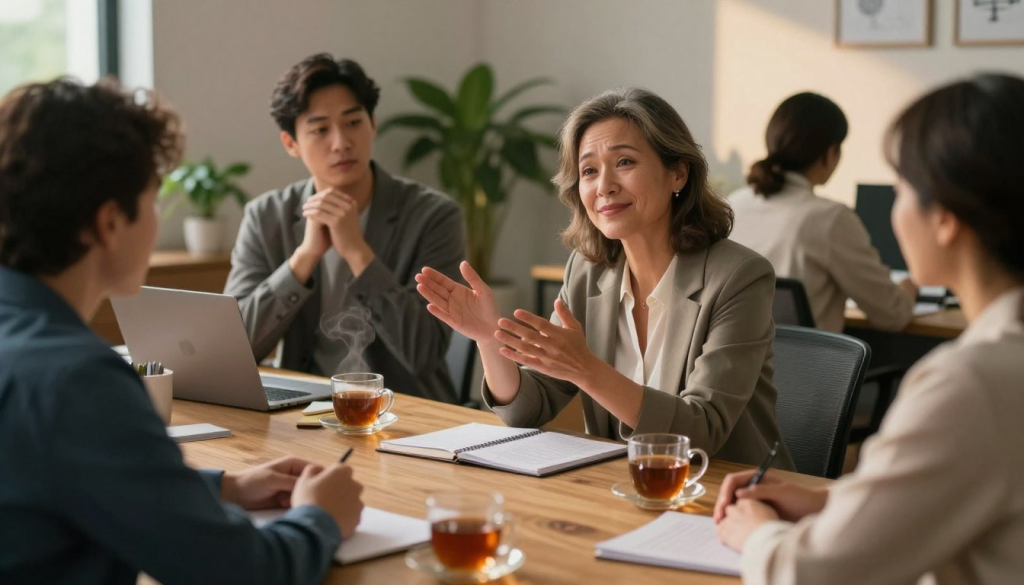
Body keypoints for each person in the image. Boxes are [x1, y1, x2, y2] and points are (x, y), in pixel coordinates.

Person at [0, 78, 363, 584]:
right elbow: (243, 572)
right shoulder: (78, 380)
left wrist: (222, 488)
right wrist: (320, 517)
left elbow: (55, 479)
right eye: (153, 200)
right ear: (109, 223)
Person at [716, 74, 1024, 584]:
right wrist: (831, 498)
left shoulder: (971, 383)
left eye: (901, 188)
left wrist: (755, 533)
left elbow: (811, 574)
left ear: (945, 218)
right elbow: (978, 481)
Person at [417, 87, 793, 468]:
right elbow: (529, 409)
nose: (604, 186)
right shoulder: (587, 271)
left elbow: (702, 431)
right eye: (589, 171)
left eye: (625, 162)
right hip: (626, 487)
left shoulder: (739, 276)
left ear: (677, 173)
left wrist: (586, 369)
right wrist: (488, 340)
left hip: (729, 494)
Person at [224, 54, 464, 403]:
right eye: (320, 129)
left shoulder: (433, 215)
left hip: (407, 415)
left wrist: (358, 254)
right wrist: (302, 260)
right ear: (291, 143)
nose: (341, 142)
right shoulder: (266, 216)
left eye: (353, 122)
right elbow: (233, 349)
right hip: (301, 411)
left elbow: (424, 352)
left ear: (373, 123)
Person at [729, 92, 917, 332]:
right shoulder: (830, 219)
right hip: (807, 369)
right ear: (831, 153)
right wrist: (910, 287)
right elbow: (893, 314)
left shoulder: (732, 206)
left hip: (740, 367)